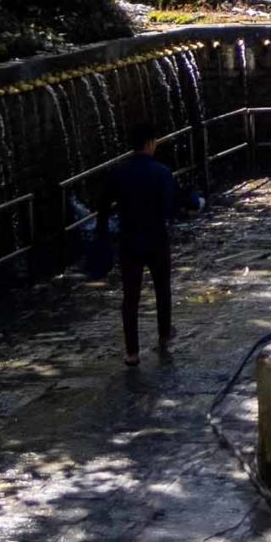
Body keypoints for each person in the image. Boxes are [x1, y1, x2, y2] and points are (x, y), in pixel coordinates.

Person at [96, 126, 197, 367]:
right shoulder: (161, 172)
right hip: (156, 238)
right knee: (162, 288)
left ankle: (132, 352)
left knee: (130, 296)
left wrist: (102, 233)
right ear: (150, 143)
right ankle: (164, 333)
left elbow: (102, 205)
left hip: (129, 239)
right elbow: (171, 205)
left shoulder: (118, 172)